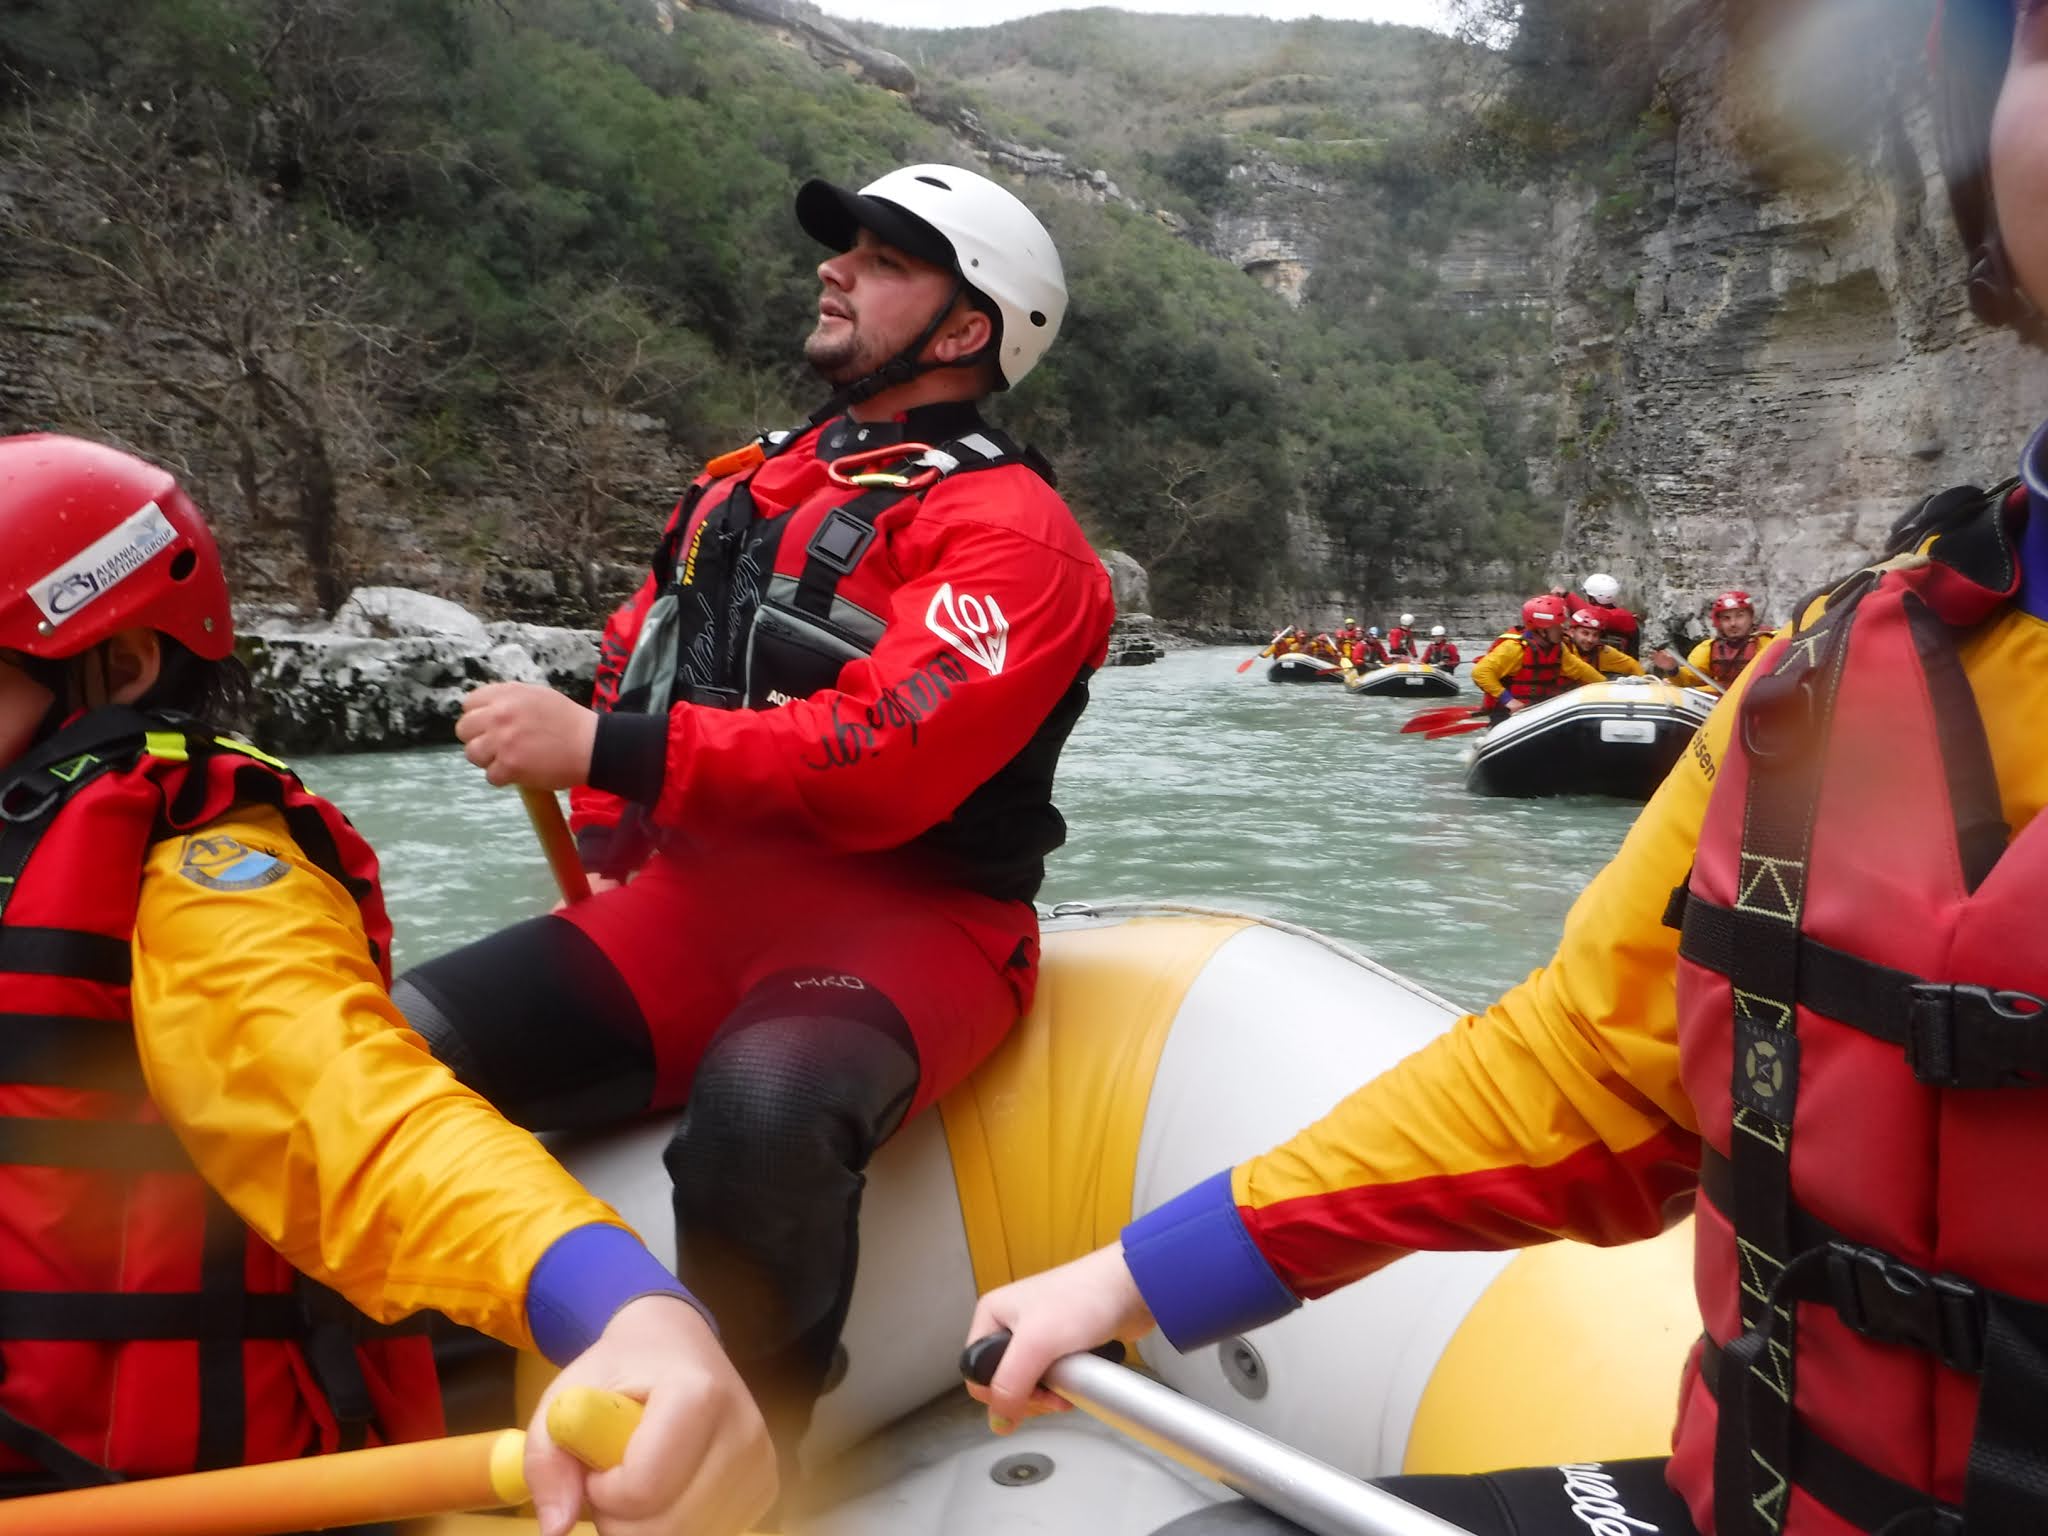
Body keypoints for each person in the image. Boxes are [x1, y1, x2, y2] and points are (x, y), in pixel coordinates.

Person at [965, 6, 2048, 1532]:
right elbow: (1583, 1062)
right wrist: (1143, 1270)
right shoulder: (1824, 682)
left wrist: (1632, 683)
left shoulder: (1736, 660)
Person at [390, 162, 1116, 1473]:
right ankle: (440, 1417)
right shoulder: (753, 481)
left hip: (918, 924)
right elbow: (648, 648)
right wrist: (611, 812)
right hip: (690, 908)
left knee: (766, 1098)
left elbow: (884, 755)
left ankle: (744, 1463)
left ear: (965, 331)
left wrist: (603, 744)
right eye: (843, 246)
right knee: (397, 1050)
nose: (835, 266)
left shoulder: (1018, 536)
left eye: (885, 259)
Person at [0, 435, 773, 1535]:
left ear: (116, 671)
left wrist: (621, 1305)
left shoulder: (200, 881)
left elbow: (357, 1113)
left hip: (134, 1496)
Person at [1469, 595, 1604, 719]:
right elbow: (1480, 672)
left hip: (1537, 711)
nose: (1563, 629)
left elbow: (1581, 670)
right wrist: (1509, 701)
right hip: (1508, 714)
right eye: (1558, 626)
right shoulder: (1515, 648)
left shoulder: (1559, 649)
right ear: (1542, 630)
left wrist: (1607, 685)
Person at [1653, 590, 1780, 689]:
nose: (1733, 623)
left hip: (1756, 696)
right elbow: (1689, 679)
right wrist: (1672, 669)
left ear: (1751, 617)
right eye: (1726, 618)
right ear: (1719, 622)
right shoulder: (1708, 648)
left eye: (1740, 616)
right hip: (1723, 699)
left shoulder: (1769, 641)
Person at [1565, 606, 1645, 677]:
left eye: (1595, 635)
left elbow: (1632, 665)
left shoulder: (1603, 653)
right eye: (1585, 633)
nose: (1590, 640)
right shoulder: (1563, 648)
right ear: (1571, 632)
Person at [1582, 572, 1642, 658]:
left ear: (1592, 599)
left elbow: (1599, 614)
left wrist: (1567, 597)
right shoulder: (1623, 616)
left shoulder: (1615, 617)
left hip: (1618, 669)